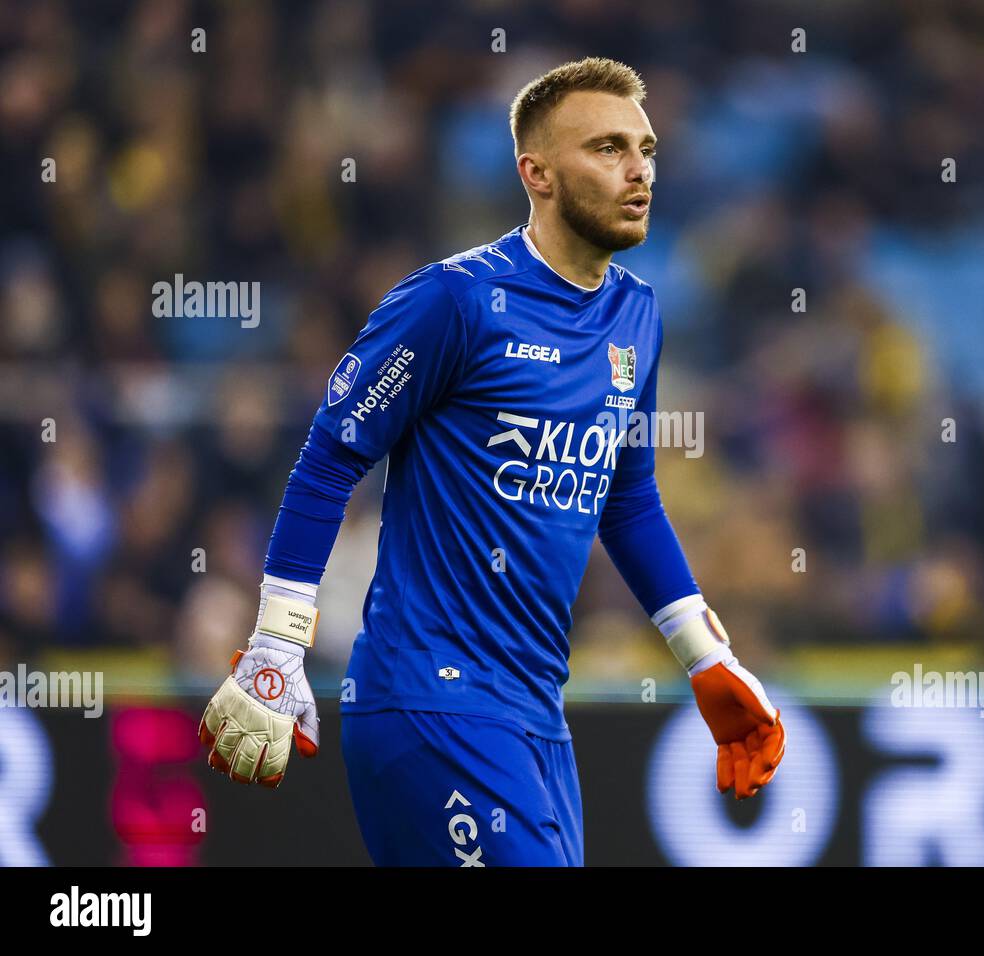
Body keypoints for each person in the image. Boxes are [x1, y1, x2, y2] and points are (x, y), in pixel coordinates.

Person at [198, 56, 785, 866]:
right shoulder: (456, 301)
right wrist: (275, 644)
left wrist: (706, 658)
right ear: (536, 173)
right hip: (428, 701)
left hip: (537, 716)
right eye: (608, 148)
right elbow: (332, 456)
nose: (639, 170)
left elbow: (628, 497)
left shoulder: (638, 316)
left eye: (646, 149)